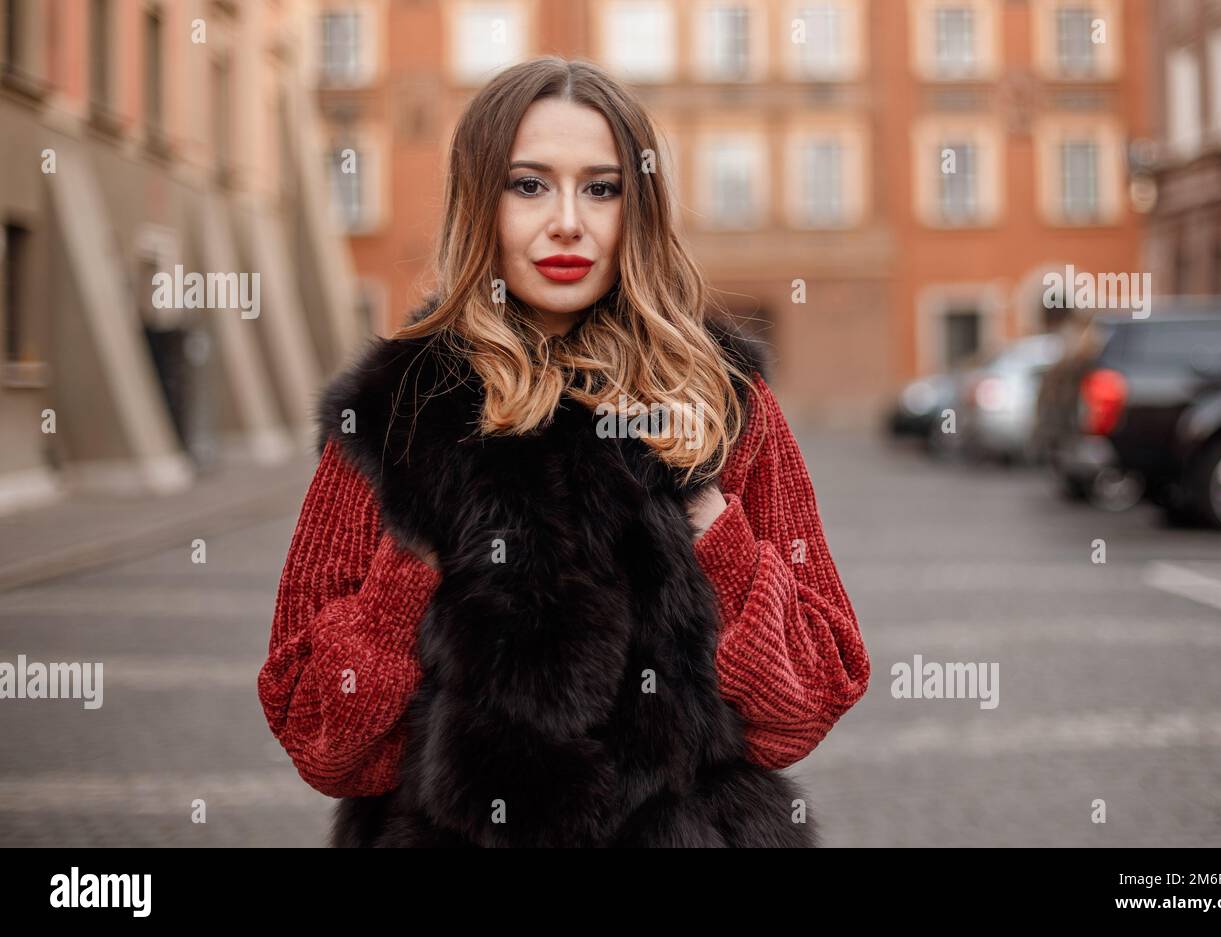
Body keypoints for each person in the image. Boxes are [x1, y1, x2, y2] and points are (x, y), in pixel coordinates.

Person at [257, 56, 869, 847]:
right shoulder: (394, 415)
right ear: (482, 202)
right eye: (529, 184)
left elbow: (811, 698)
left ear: (636, 209)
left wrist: (721, 537)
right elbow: (320, 737)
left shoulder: (720, 402)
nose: (569, 221)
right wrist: (412, 562)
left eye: (602, 188)